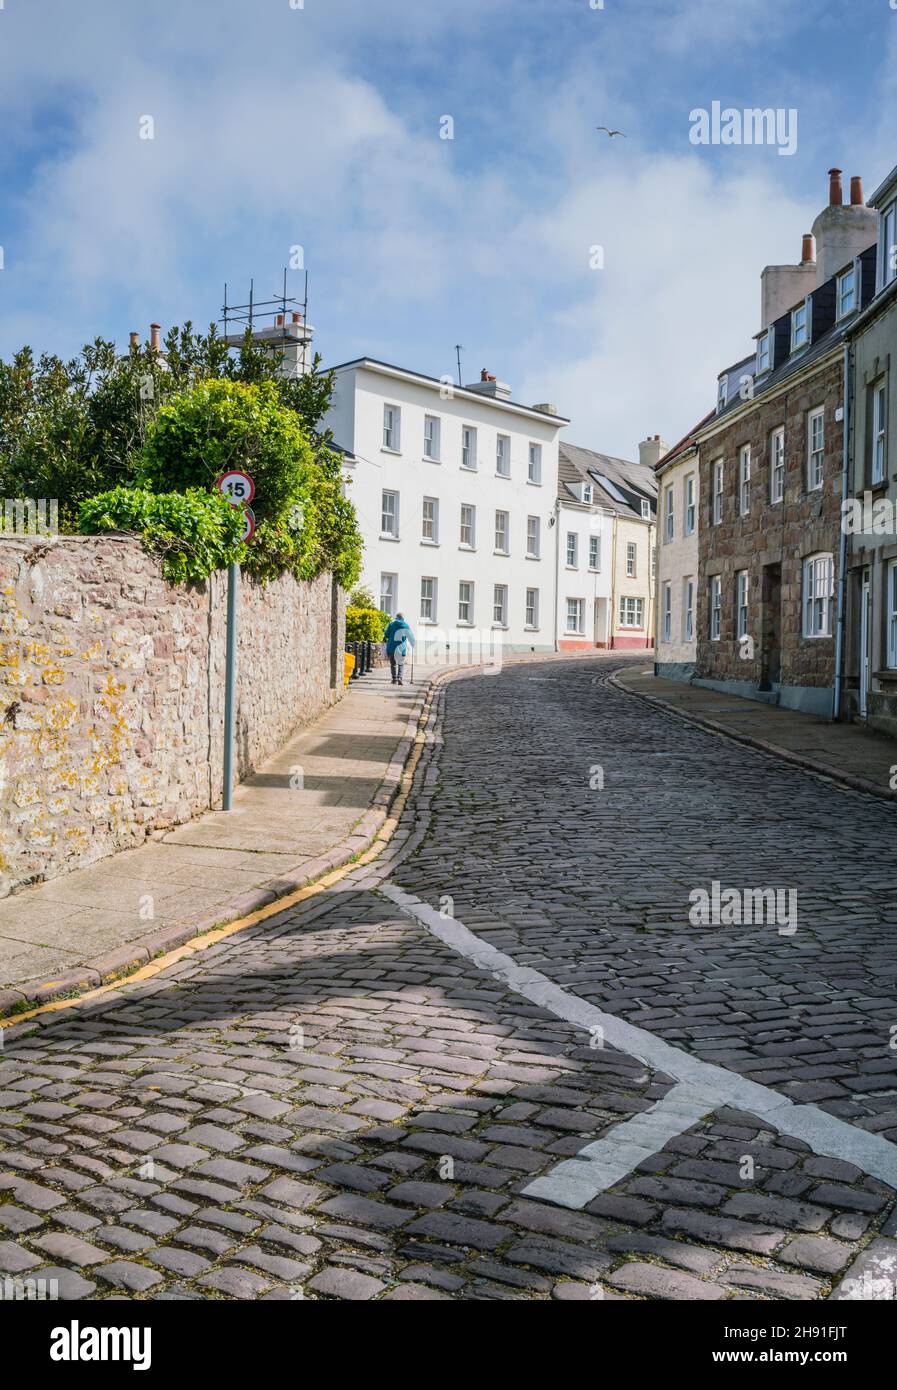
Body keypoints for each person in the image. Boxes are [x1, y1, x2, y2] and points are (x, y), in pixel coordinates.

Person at [384, 612, 415, 685]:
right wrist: (413, 643)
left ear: (396, 617)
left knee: (393, 664)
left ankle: (394, 679)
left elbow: (386, 634)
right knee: (401, 664)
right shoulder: (406, 626)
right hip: (401, 649)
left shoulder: (391, 625)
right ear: (403, 618)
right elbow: (410, 636)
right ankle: (400, 678)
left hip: (391, 647)